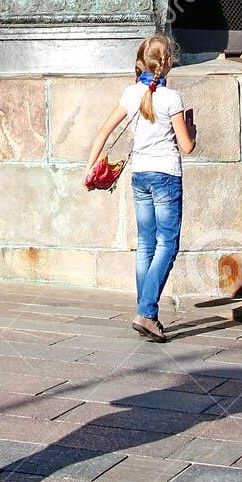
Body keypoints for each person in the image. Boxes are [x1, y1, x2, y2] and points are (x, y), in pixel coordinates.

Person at [84, 34, 196, 344]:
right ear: (168, 63)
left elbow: (104, 130)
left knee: (146, 243)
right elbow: (186, 147)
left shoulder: (130, 94)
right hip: (166, 175)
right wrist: (193, 131)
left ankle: (145, 312)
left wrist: (90, 167)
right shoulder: (172, 99)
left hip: (140, 175)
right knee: (168, 245)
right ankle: (146, 312)